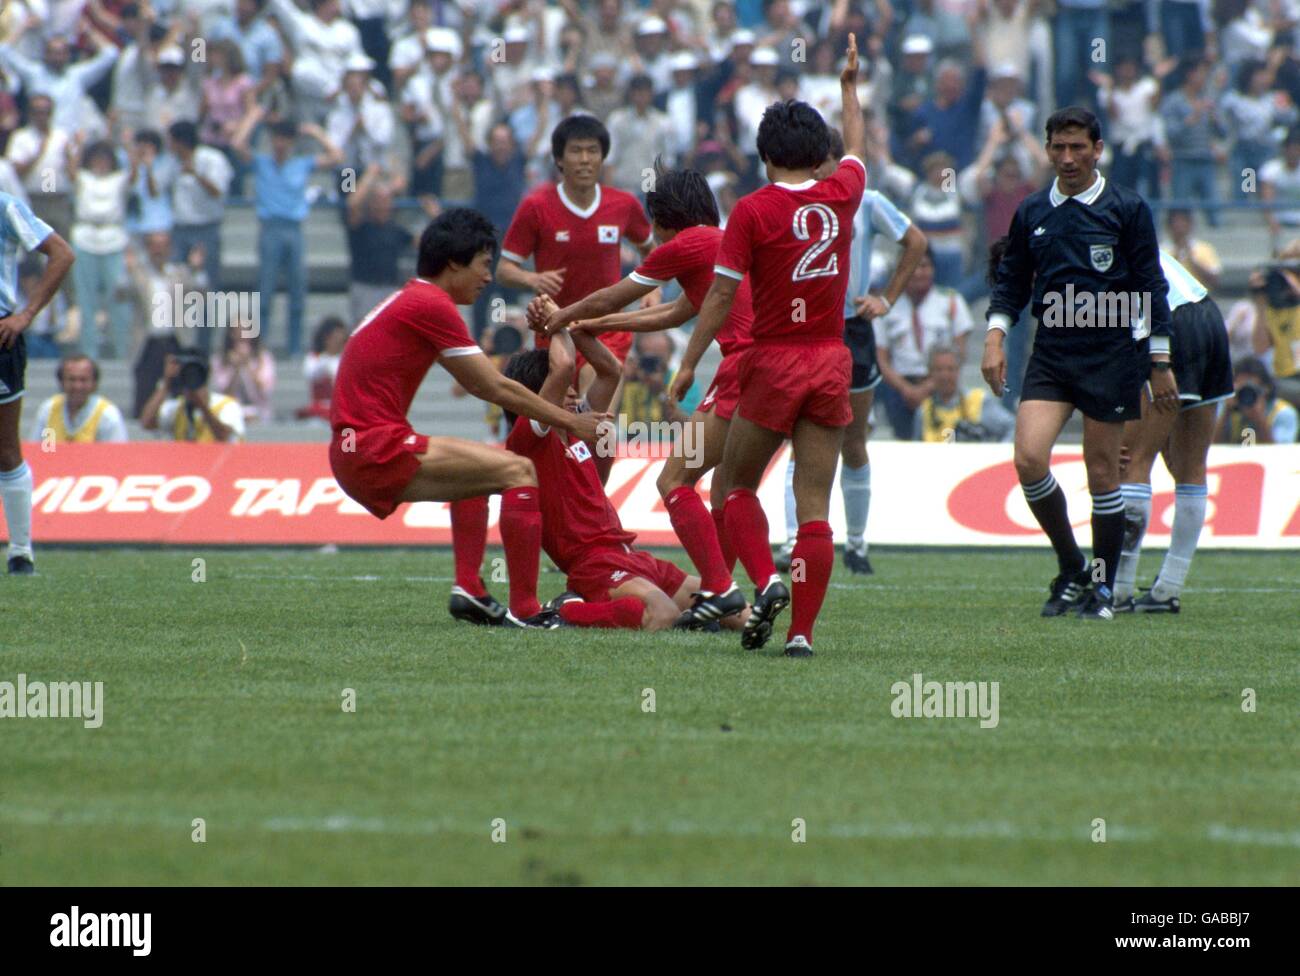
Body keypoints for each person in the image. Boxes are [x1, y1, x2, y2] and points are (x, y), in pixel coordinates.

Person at [671, 33, 867, 657]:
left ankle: (765, 580)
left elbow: (722, 299)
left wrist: (688, 360)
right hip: (831, 358)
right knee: (814, 507)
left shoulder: (750, 212)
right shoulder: (843, 192)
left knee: (734, 487)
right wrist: (847, 89)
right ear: (820, 155)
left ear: (762, 155)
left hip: (773, 359)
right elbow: (858, 148)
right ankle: (802, 634)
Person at [327, 208, 609, 629]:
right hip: (371, 445)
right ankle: (527, 609)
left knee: (477, 470)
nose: (487, 277)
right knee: (519, 470)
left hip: (357, 448)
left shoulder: (414, 299)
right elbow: (492, 388)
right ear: (454, 262)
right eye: (482, 264)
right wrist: (571, 422)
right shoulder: (430, 304)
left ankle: (470, 590)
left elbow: (477, 382)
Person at [531, 161, 755, 627]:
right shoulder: (719, 246)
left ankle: (722, 589)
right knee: (728, 493)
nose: (652, 233)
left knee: (673, 480)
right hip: (771, 369)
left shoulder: (687, 244)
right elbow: (674, 313)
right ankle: (728, 591)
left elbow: (614, 295)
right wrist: (598, 324)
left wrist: (562, 317)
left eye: (654, 222)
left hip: (743, 370)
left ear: (666, 218)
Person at [982, 106, 1175, 621]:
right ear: (1047, 150)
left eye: (1078, 148)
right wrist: (995, 336)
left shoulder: (1126, 208)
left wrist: (1160, 359)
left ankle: (1102, 587)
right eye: (1058, 148)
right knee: (1027, 459)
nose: (1068, 158)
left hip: (1110, 354)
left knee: (1101, 473)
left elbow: (1151, 284)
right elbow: (1012, 281)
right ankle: (1071, 566)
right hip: (1052, 352)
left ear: (1097, 149)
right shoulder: (1032, 212)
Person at [502, 325, 749, 634]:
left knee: (740, 614)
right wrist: (556, 322)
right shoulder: (530, 440)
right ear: (535, 397)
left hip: (633, 556)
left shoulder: (576, 427)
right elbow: (563, 365)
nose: (573, 391)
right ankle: (567, 610)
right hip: (594, 566)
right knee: (662, 615)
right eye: (563, 386)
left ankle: (675, 616)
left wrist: (578, 328)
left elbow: (609, 371)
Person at [780, 127, 929, 575]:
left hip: (852, 328)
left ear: (835, 161)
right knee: (799, 438)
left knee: (853, 439)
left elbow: (915, 241)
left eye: (819, 162)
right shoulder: (793, 202)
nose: (813, 172)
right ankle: (793, 543)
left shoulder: (864, 200)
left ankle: (858, 545)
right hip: (806, 326)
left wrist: (885, 298)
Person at [1115, 252, 1236, 614]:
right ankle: (1168, 587)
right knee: (1189, 467)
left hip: (1165, 326)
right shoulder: (1120, 219)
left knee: (1131, 460)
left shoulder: (1073, 249)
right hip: (1208, 316)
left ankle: (1117, 589)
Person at [497, 114, 656, 382]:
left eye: (592, 151)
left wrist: (656, 289)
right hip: (554, 325)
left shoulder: (624, 204)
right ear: (559, 159)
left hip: (606, 325)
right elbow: (503, 270)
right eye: (576, 151)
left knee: (595, 395)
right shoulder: (536, 206)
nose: (584, 159)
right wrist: (532, 278)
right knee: (565, 417)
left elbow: (652, 253)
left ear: (603, 158)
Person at [0, 190, 75, 575]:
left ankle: (20, 550)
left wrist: (25, 314)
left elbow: (62, 253)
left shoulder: (5, 205)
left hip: (1, 338)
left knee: (6, 450)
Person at [230, 108, 345, 356]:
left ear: (292, 142)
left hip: (293, 229)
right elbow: (237, 144)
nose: (280, 143)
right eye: (277, 138)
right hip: (269, 228)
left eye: (285, 138)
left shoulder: (301, 164)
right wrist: (254, 117)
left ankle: (294, 350)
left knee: (297, 293)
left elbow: (337, 157)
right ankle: (258, 349)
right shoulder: (262, 162)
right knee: (264, 294)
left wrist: (314, 132)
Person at [875, 249, 973, 440]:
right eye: (912, 266)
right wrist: (906, 389)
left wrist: (930, 386)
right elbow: (881, 358)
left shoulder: (951, 301)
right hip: (900, 389)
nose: (918, 272)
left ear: (933, 269)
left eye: (924, 266)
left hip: (940, 385)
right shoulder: (885, 306)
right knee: (904, 445)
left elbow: (960, 351)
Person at [914, 343, 1015, 442]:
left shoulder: (979, 401)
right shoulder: (923, 411)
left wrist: (997, 454)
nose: (945, 376)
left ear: (958, 370)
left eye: (950, 369)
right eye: (939, 370)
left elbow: (1013, 427)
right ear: (930, 373)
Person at [140, 350, 247, 443]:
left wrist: (202, 406)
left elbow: (225, 437)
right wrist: (166, 384)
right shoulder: (176, 408)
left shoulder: (226, 406)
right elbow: (147, 422)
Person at [29, 354, 129, 443]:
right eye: (72, 379)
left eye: (83, 380)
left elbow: (116, 457)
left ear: (94, 383)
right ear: (61, 382)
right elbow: (41, 450)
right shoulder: (49, 410)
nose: (77, 386)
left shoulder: (107, 415)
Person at [1216, 358, 1299, 445]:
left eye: (1251, 389)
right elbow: (1211, 448)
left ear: (1266, 388)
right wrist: (1226, 413)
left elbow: (1279, 452)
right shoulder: (1225, 408)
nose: (1246, 394)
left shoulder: (1283, 412)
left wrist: (1259, 419)